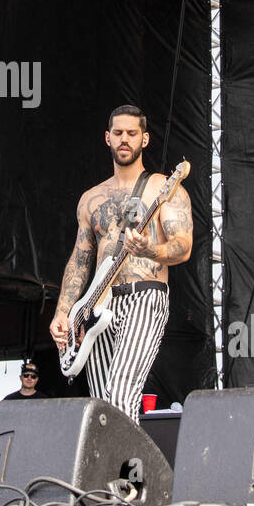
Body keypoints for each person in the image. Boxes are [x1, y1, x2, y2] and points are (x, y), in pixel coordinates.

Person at [48, 106, 192, 424]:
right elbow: (80, 258)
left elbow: (183, 247)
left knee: (120, 392)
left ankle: (130, 475)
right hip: (98, 304)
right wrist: (63, 311)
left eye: (131, 133)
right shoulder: (90, 198)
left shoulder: (163, 188)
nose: (124, 139)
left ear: (145, 139)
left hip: (145, 294)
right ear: (107, 138)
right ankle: (110, 474)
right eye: (118, 133)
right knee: (102, 406)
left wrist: (149, 248)